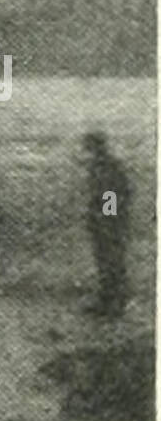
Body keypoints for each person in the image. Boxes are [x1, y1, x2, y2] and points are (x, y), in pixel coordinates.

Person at [81, 131, 130, 318]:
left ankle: (114, 303)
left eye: (88, 148)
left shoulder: (106, 168)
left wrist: (106, 220)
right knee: (105, 261)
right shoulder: (103, 166)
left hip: (108, 223)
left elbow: (110, 195)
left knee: (111, 261)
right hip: (105, 221)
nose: (86, 152)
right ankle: (107, 299)